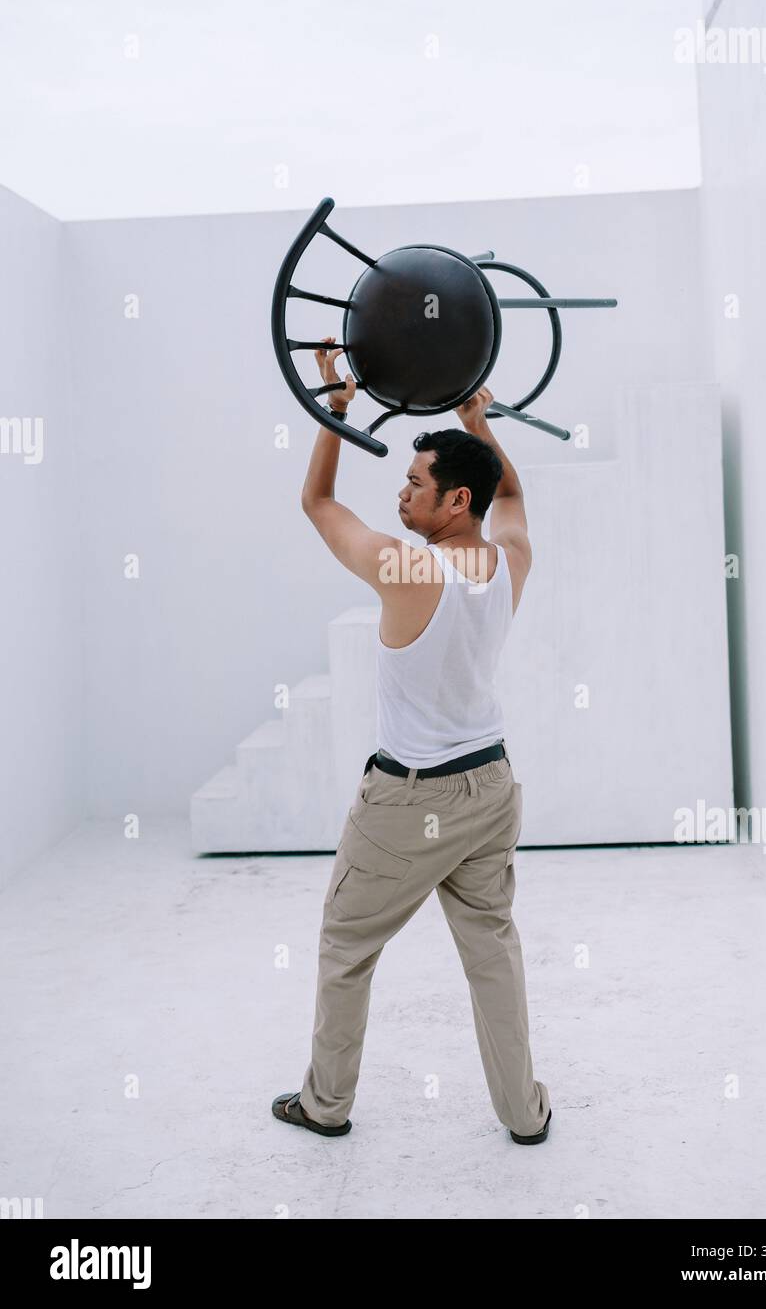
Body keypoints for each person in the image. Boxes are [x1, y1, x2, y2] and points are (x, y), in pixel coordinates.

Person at [272, 337, 551, 1144]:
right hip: (492, 788)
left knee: (345, 945)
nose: (400, 494)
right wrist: (476, 419)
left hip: (409, 800)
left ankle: (325, 1107)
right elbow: (515, 496)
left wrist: (336, 405)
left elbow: (318, 504)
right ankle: (523, 1116)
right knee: (492, 950)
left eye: (415, 483)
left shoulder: (405, 569)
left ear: (454, 502)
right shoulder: (509, 565)